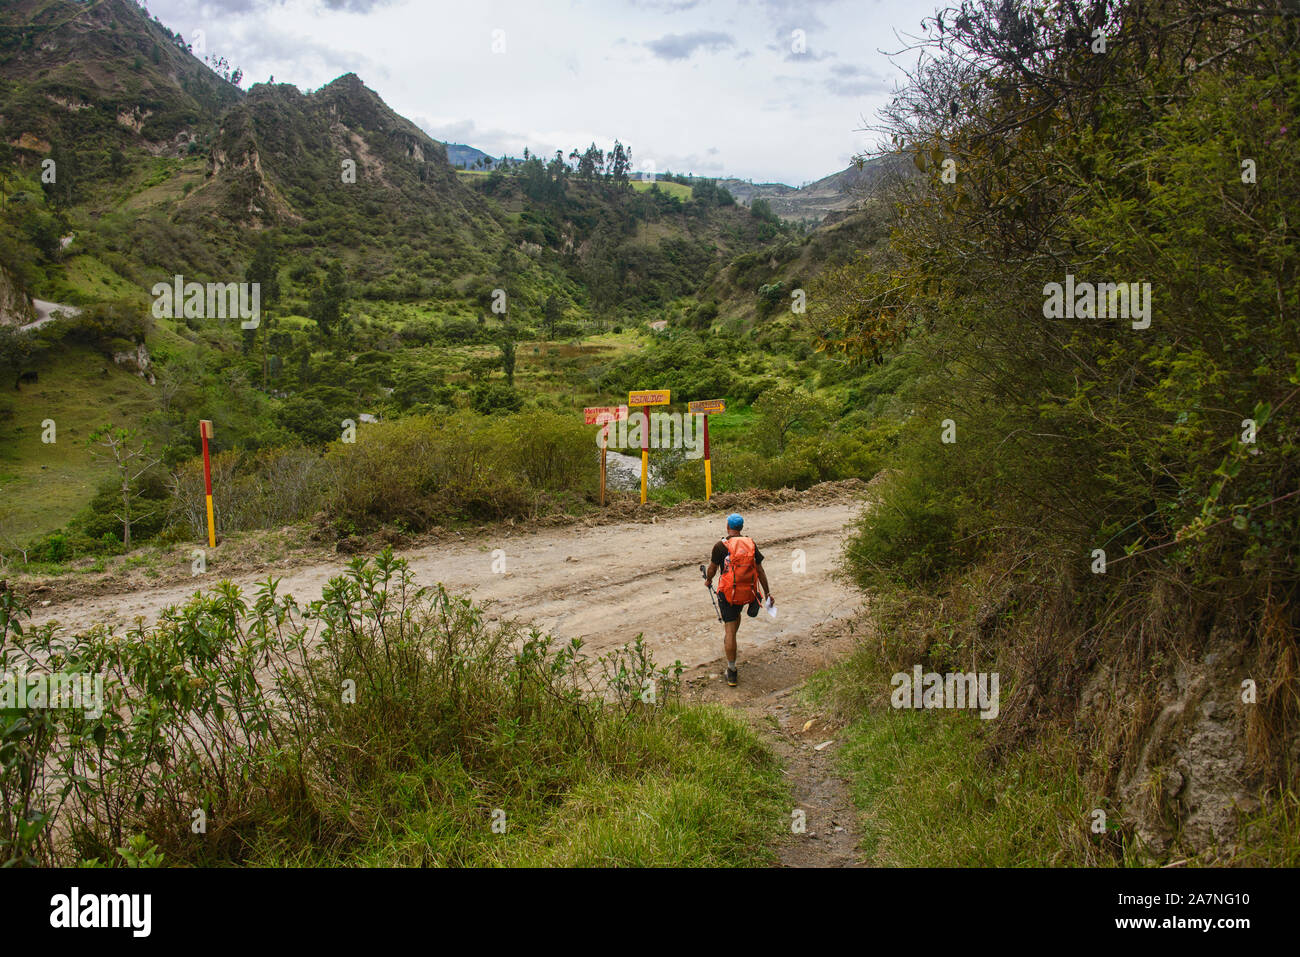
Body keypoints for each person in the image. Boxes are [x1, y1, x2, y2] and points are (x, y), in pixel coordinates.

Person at [705, 512, 772, 687]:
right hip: (746, 592)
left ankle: (732, 671)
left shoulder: (721, 546)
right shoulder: (750, 544)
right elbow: (760, 570)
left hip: (727, 593)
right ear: (741, 528)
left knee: (729, 629)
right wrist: (767, 592)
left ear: (728, 527)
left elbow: (712, 568)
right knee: (735, 619)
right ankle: (731, 640)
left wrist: (708, 580)